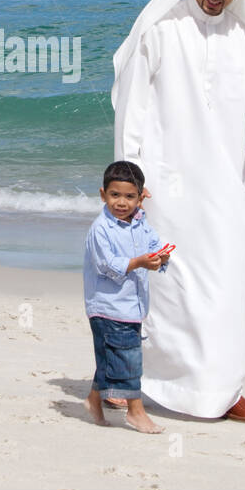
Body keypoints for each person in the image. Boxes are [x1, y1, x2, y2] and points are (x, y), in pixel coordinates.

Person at [111, 0, 245, 423]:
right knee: (167, 289)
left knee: (227, 287)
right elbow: (132, 112)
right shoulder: (160, 30)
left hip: (225, 186)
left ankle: (223, 391)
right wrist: (129, 182)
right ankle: (139, 382)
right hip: (165, 185)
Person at [83, 159, 173, 434]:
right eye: (115, 195)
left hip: (133, 306)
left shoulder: (140, 223)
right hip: (108, 306)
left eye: (129, 196)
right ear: (103, 194)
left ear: (140, 197)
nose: (121, 202)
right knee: (129, 358)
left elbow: (154, 245)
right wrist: (138, 263)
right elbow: (107, 265)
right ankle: (136, 411)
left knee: (112, 358)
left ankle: (93, 400)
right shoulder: (101, 229)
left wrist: (160, 258)